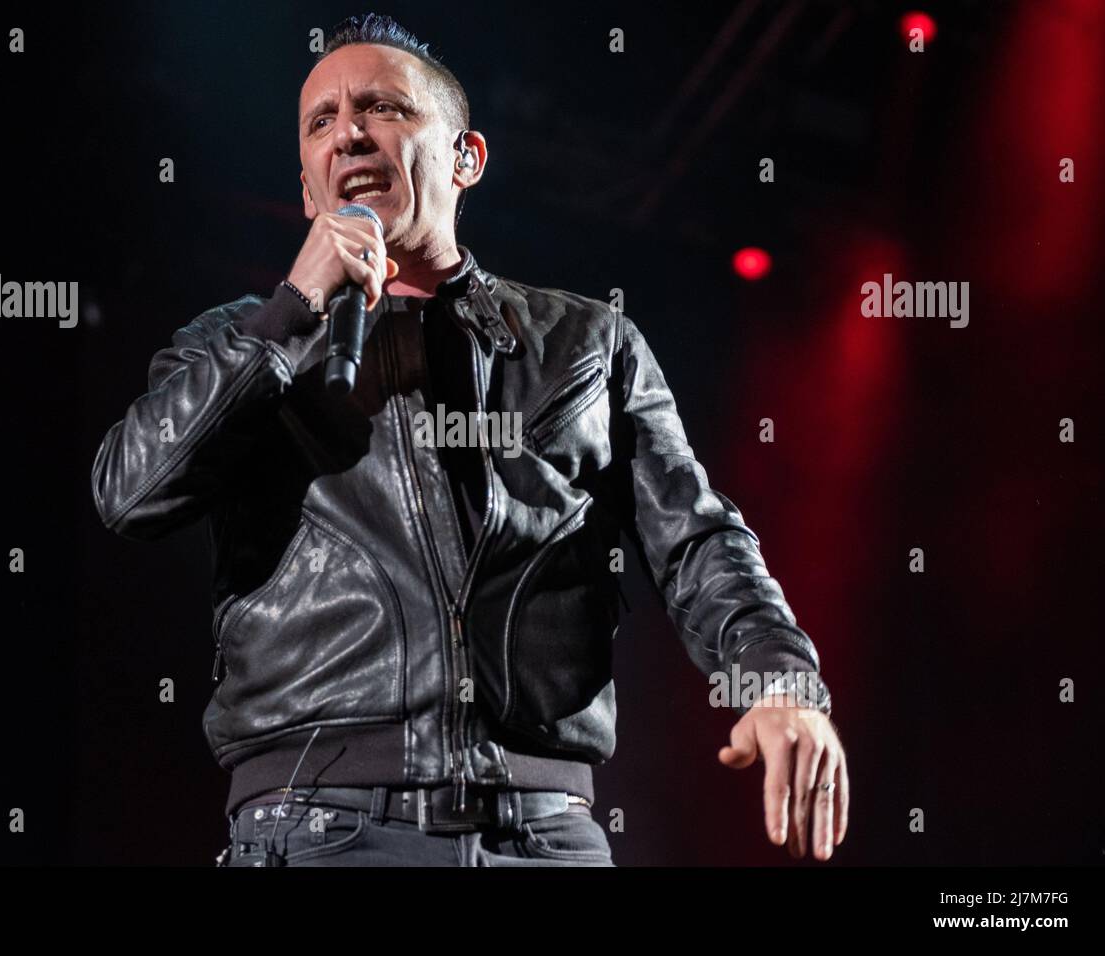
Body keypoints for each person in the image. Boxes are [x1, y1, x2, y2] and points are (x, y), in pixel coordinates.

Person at [91, 13, 848, 867]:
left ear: (465, 158)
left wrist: (780, 680)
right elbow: (133, 491)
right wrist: (293, 312)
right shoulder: (236, 343)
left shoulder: (585, 343)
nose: (349, 134)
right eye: (321, 121)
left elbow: (699, 539)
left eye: (383, 108)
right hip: (316, 824)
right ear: (307, 191)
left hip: (545, 830)